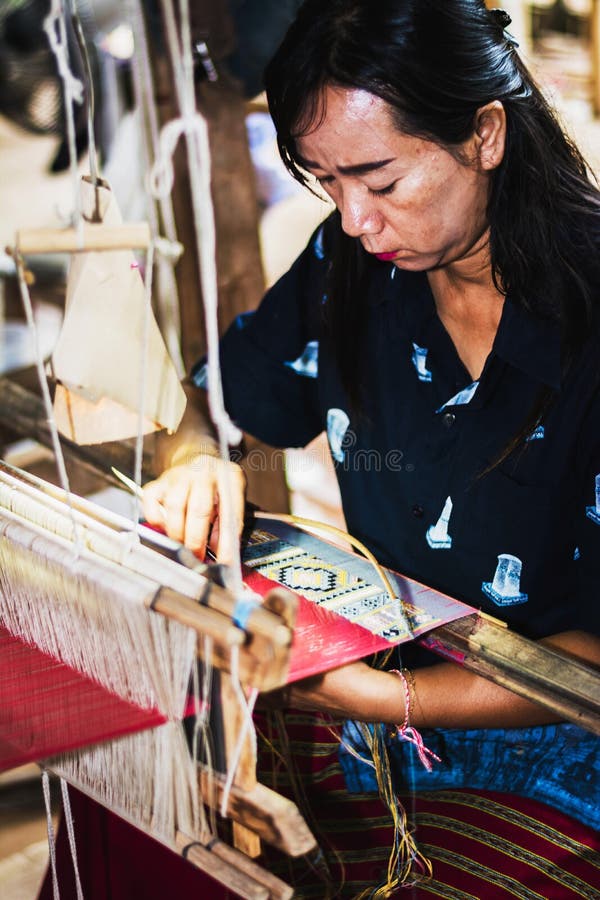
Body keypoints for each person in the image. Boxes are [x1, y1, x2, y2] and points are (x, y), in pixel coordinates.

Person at [142, 0, 600, 895]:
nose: (354, 219)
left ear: (485, 135)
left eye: (381, 181)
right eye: (325, 180)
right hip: (378, 707)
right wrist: (196, 458)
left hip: (563, 742)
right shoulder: (356, 270)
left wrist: (393, 701)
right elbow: (212, 398)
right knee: (165, 817)